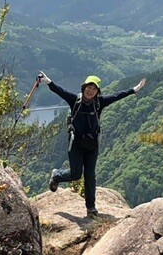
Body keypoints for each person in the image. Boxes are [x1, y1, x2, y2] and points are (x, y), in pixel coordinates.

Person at [38, 71, 146, 216]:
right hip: (75, 144)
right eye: (89, 87)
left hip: (92, 145)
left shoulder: (99, 103)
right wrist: (47, 81)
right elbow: (60, 91)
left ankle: (91, 207)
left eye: (94, 89)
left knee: (90, 175)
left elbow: (117, 96)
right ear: (84, 87)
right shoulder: (75, 100)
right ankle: (57, 176)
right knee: (76, 174)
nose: (91, 91)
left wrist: (134, 90)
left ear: (97, 92)